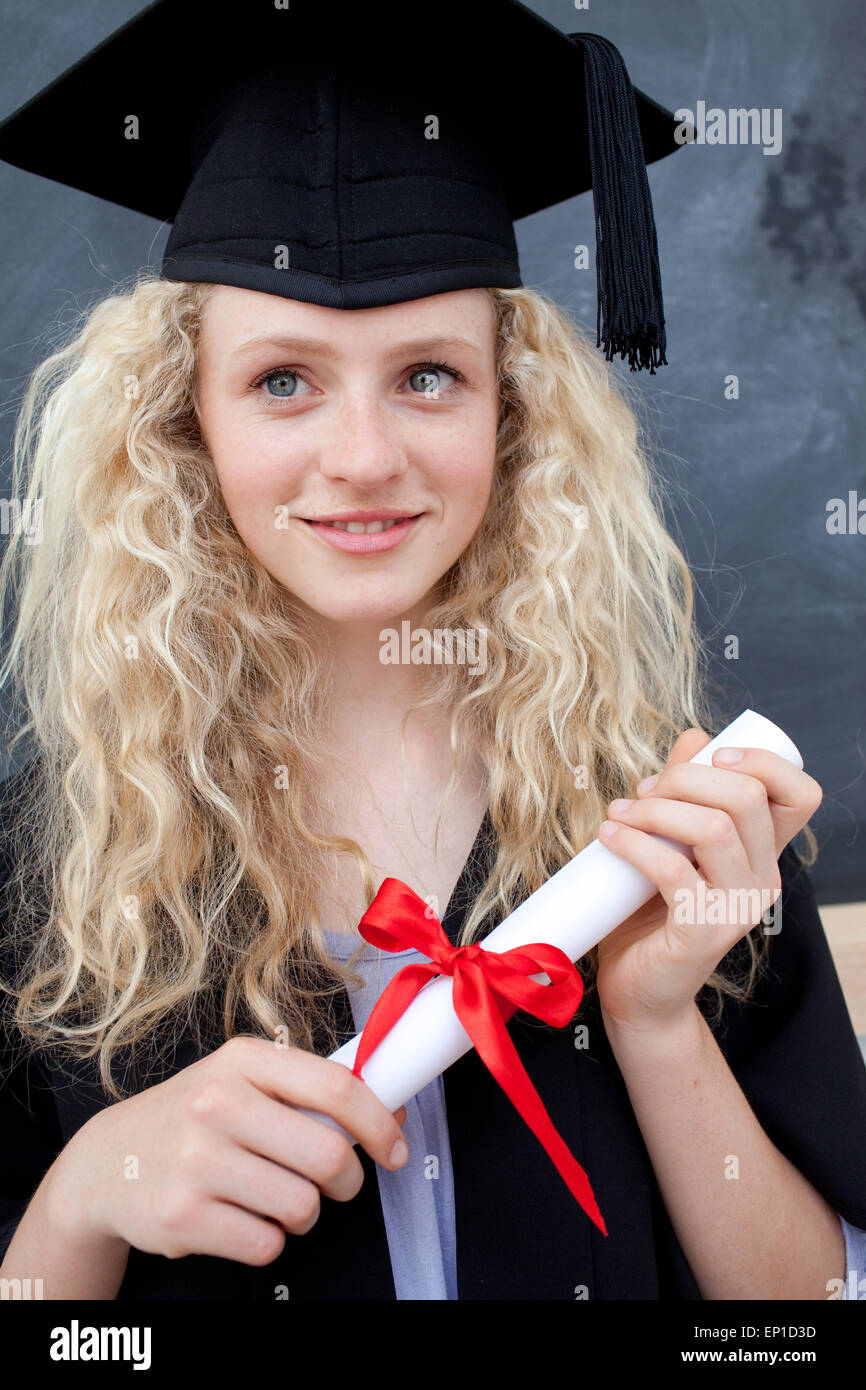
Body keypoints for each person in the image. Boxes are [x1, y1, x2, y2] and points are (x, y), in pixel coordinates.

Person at [0, 0, 864, 1301]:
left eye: (427, 376)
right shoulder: (51, 867)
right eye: (282, 379)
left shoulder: (660, 820)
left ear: (513, 416)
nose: (363, 456)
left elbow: (794, 1321)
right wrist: (80, 1200)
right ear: (186, 427)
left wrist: (652, 1016)